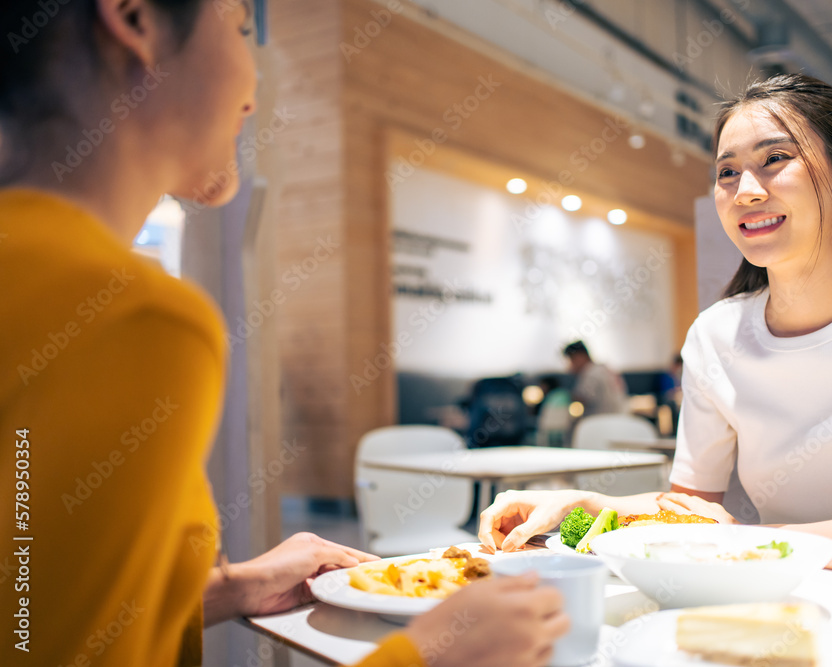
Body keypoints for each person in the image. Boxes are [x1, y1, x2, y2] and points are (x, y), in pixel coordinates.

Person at [0, 1, 567, 666]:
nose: (253, 80)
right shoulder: (133, 319)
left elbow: (30, 618)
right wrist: (426, 654)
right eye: (240, 27)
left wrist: (228, 589)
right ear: (135, 18)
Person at [480, 74, 832, 577]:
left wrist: (736, 540)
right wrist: (580, 509)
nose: (746, 192)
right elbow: (686, 513)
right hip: (765, 598)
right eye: (727, 172)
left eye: (775, 160)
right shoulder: (715, 336)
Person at [562, 340, 629, 416]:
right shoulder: (604, 368)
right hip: (622, 417)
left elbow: (581, 399)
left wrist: (563, 396)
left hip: (601, 421)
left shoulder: (590, 373)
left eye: (571, 360)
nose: (570, 365)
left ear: (580, 356)